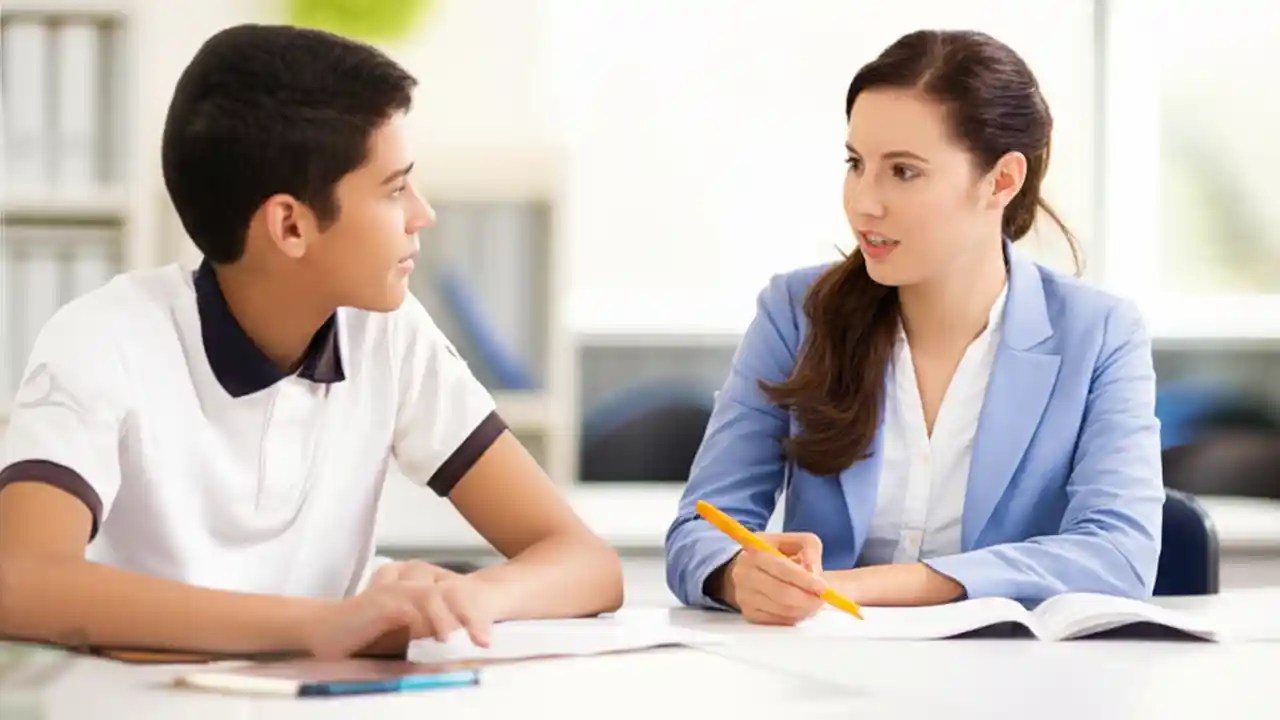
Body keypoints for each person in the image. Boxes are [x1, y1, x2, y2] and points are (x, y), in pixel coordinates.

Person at [0, 24, 622, 658]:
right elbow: (19, 582)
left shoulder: (387, 332)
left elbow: (585, 562)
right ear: (291, 225)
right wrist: (319, 624)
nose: (422, 214)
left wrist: (469, 599)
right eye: (394, 188)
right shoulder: (103, 337)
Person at [665, 29, 1163, 624]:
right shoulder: (796, 313)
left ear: (1002, 180)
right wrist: (737, 574)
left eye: (903, 172)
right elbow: (700, 528)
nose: (863, 203)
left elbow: (1120, 556)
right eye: (856, 164)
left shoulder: (1100, 333)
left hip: (1017, 688)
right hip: (827, 682)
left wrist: (882, 585)